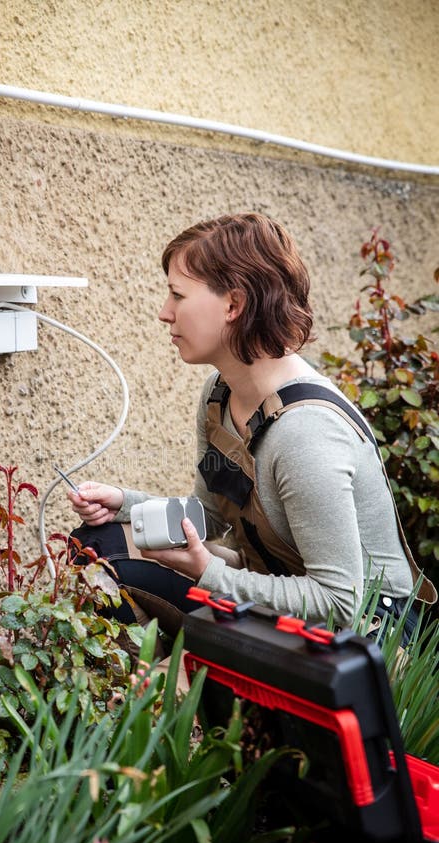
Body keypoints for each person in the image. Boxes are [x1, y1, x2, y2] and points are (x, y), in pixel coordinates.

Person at [66, 212, 436, 651]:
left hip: (368, 638)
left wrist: (209, 574)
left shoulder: (305, 433)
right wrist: (125, 505)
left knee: (126, 573)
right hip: (277, 586)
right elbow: (213, 516)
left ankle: (187, 697)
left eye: (177, 295)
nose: (164, 313)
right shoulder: (221, 395)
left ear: (233, 305)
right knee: (98, 546)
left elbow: (342, 601)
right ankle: (175, 690)